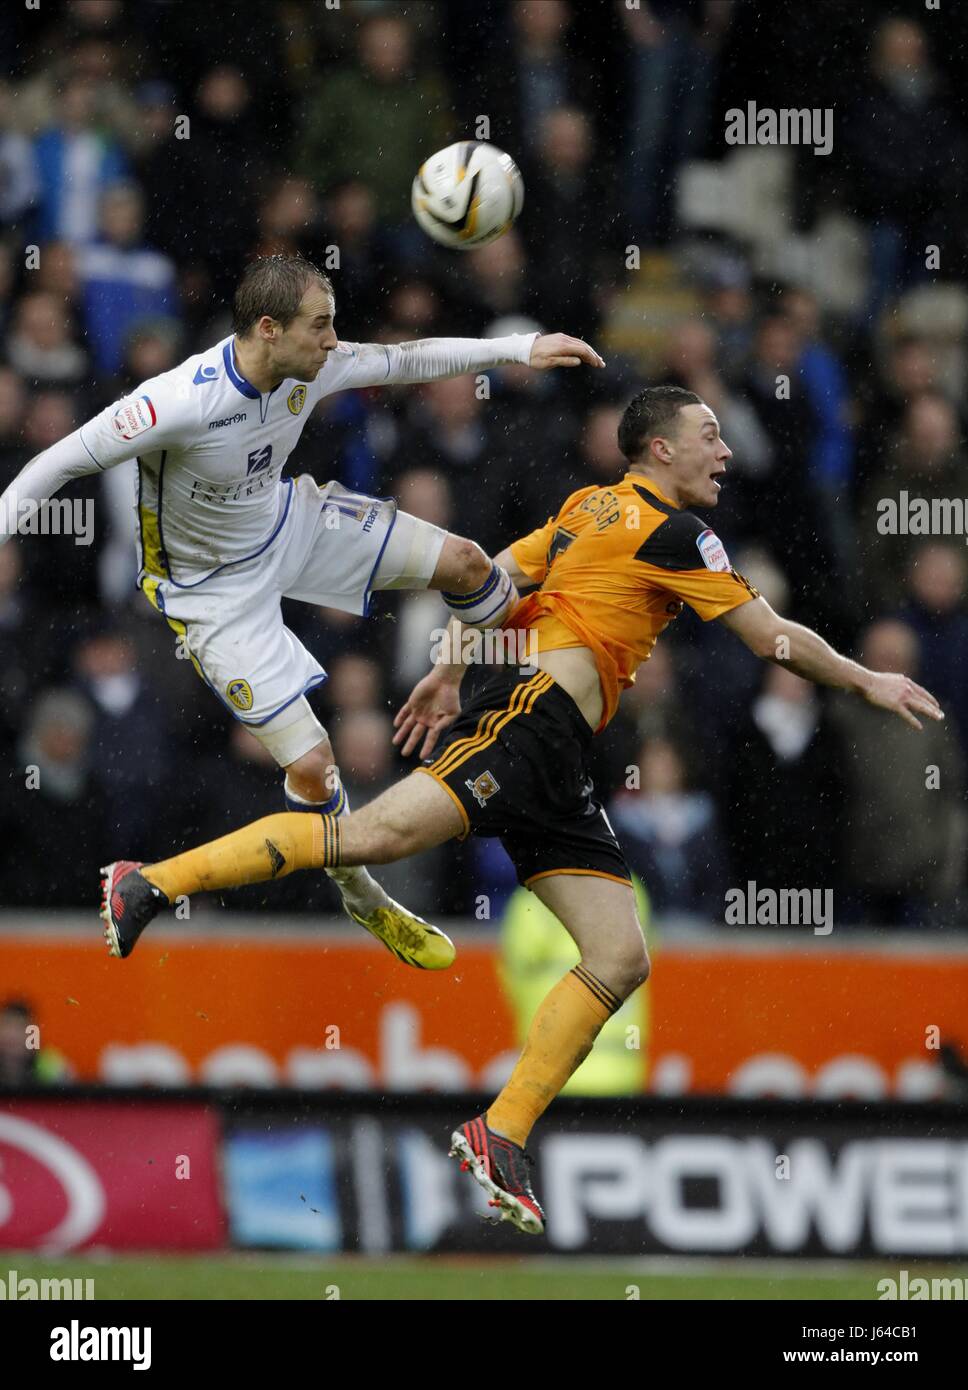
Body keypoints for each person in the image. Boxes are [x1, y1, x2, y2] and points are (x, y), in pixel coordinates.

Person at [96, 386, 944, 1235]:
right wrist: (867, 678)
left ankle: (499, 1133)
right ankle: (151, 882)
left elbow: (496, 574)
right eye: (709, 436)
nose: (724, 452)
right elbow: (773, 640)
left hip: (558, 754)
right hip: (530, 720)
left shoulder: (587, 506)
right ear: (658, 450)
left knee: (618, 956)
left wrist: (451, 666)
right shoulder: (678, 531)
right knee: (376, 835)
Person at [0, 252, 602, 968]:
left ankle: (503, 679)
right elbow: (58, 460)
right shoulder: (179, 401)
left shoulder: (313, 363)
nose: (332, 341)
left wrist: (519, 350)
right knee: (316, 766)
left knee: (469, 562)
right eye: (319, 326)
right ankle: (362, 892)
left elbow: (405, 358)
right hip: (210, 595)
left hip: (288, 525)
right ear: (267, 328)